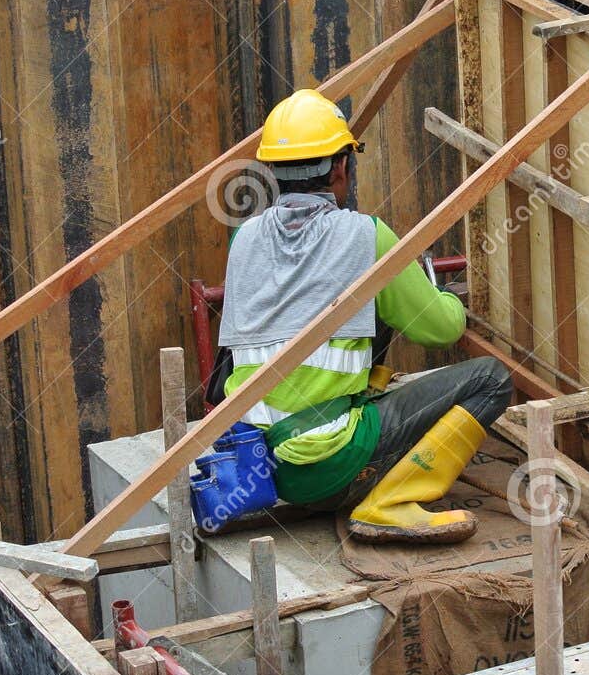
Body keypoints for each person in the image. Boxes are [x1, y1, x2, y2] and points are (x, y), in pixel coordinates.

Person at [215, 89, 511, 545]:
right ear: (340, 167)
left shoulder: (244, 239)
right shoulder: (364, 237)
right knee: (492, 379)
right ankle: (388, 503)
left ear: (272, 170)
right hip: (331, 462)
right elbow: (442, 329)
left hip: (259, 466)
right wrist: (441, 296)